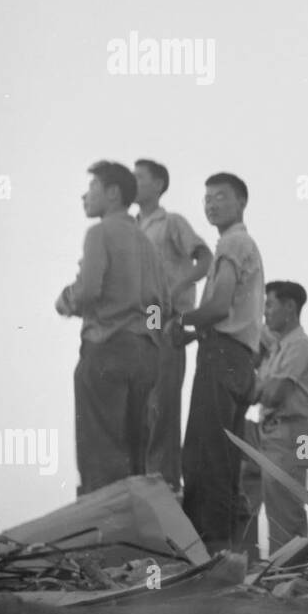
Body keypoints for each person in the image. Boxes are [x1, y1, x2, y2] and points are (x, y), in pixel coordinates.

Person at [55, 161, 166, 494]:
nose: (84, 195)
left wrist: (65, 301)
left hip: (106, 349)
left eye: (92, 188)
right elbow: (162, 306)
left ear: (113, 193)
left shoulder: (99, 233)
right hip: (144, 356)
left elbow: (89, 289)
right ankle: (133, 537)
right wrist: (149, 339)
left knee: (100, 455)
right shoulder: (147, 244)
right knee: (135, 455)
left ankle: (103, 535)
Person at [177, 172, 265, 553]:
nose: (211, 204)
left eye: (221, 197)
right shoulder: (246, 244)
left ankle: (207, 552)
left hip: (222, 357)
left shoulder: (231, 243)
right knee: (225, 460)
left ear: (241, 203)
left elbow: (218, 306)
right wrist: (196, 331)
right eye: (207, 198)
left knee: (204, 455)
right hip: (241, 360)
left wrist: (180, 321)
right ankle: (230, 550)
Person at [133, 159, 211, 491]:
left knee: (162, 406)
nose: (133, 183)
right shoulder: (131, 227)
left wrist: (178, 286)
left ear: (158, 184)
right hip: (136, 327)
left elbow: (204, 258)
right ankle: (142, 486)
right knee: (138, 409)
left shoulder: (172, 223)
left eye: (139, 178)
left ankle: (165, 486)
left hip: (165, 321)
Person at [241, 281, 308, 562]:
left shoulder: (299, 345)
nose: (265, 313)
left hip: (293, 433)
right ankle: (272, 570)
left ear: (290, 307)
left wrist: (258, 386)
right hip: (273, 432)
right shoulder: (278, 347)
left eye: (270, 305)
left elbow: (274, 394)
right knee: (270, 502)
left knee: (285, 508)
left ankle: (288, 574)